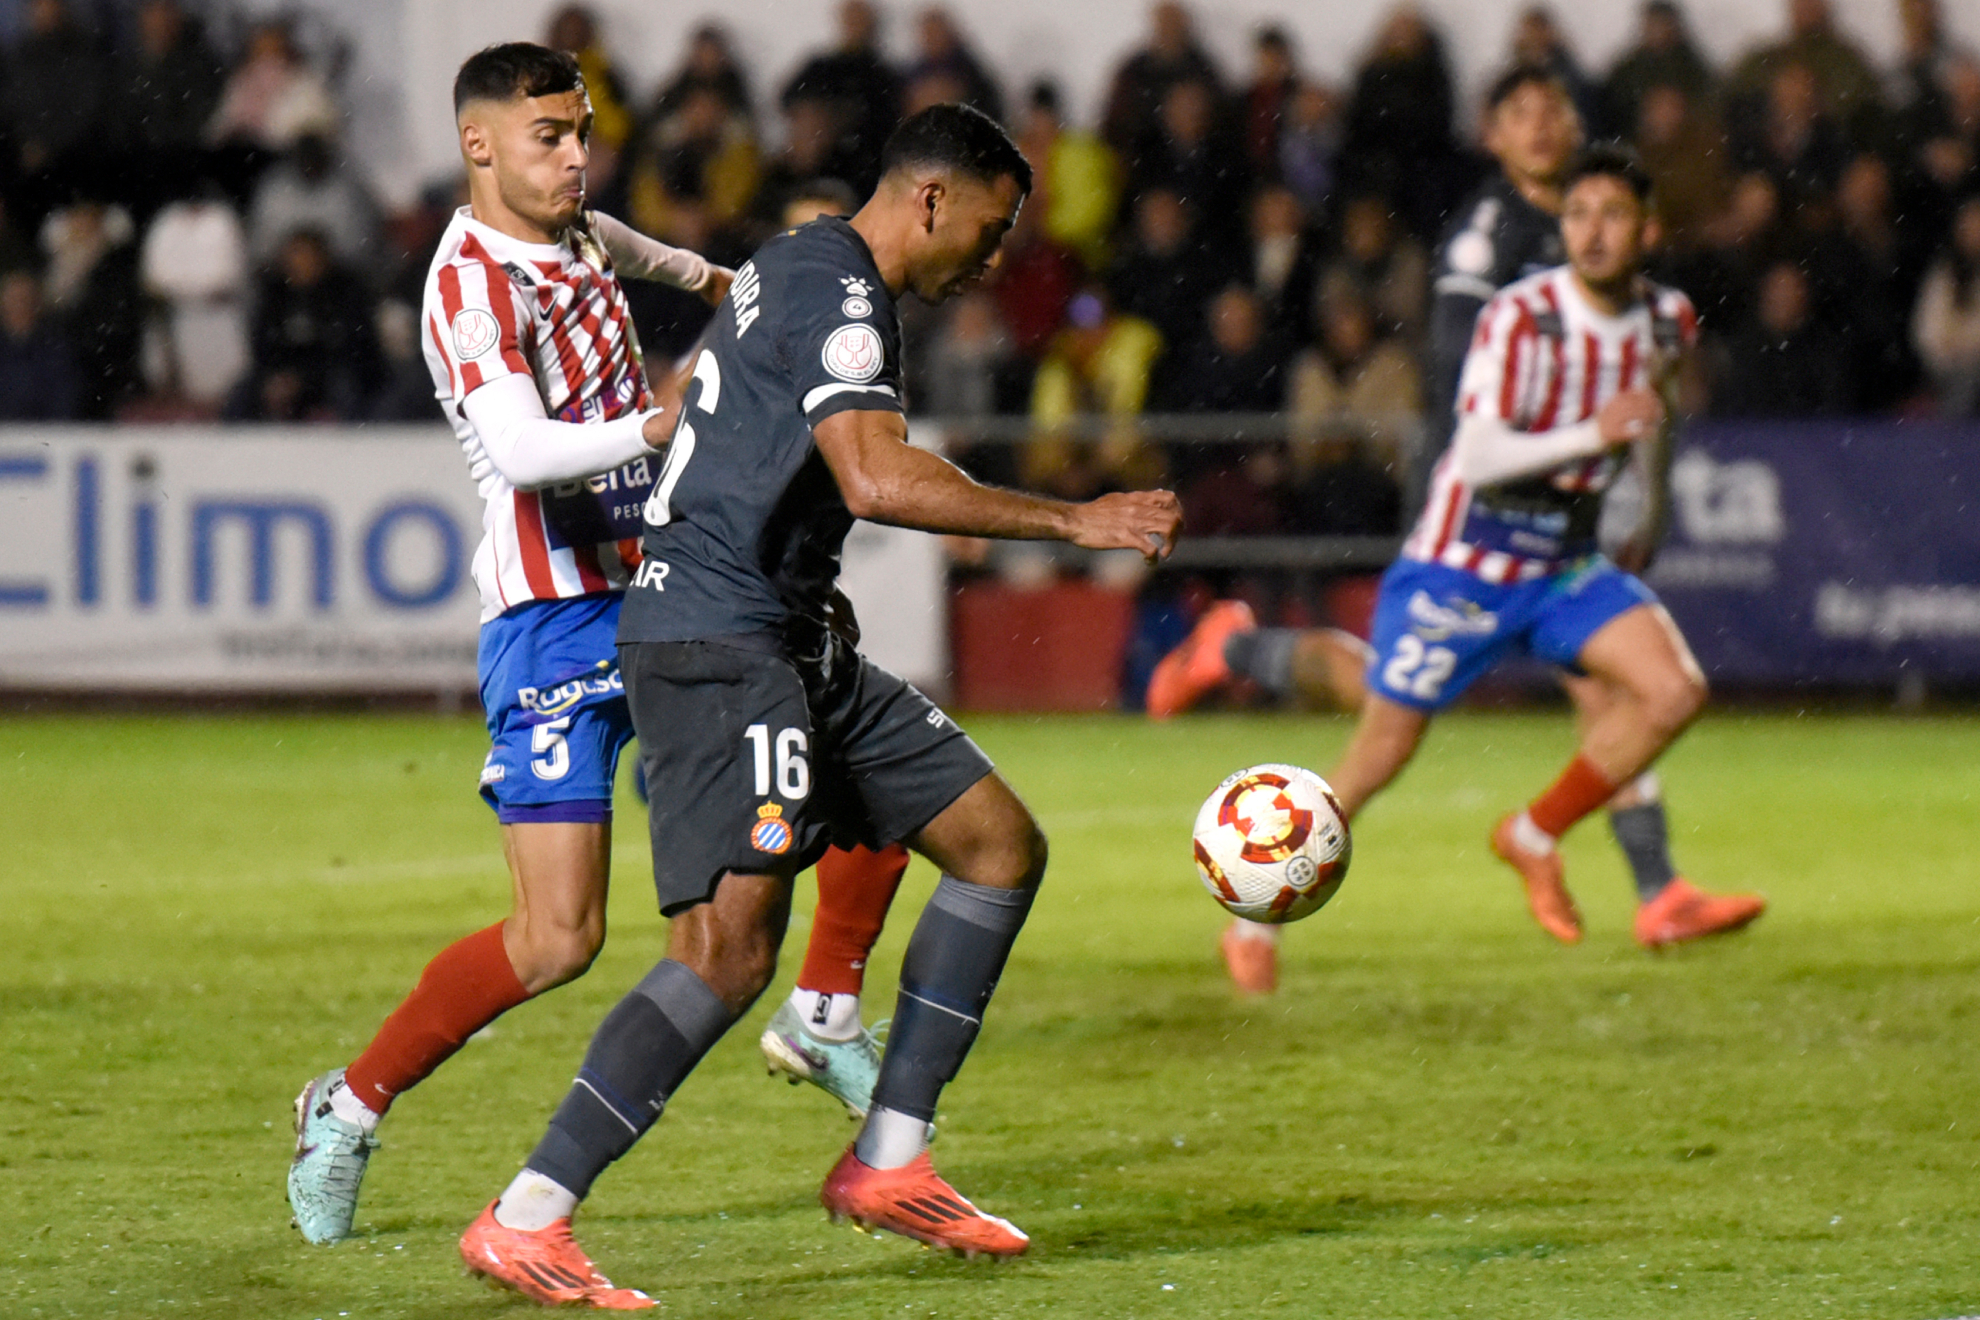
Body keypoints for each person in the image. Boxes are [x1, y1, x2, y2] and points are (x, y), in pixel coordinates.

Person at [456, 102, 1181, 1309]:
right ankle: (528, 1215)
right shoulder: (837, 288)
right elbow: (877, 477)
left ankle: (889, 1162)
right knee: (727, 954)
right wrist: (1073, 518)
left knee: (994, 844)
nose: (993, 260)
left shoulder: (808, 272)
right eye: (991, 231)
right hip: (716, 642)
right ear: (932, 199)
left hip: (791, 635)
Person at [282, 42, 904, 1250]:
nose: (576, 158)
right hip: (552, 622)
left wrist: (752, 295)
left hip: (674, 589)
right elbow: (518, 453)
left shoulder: (581, 231)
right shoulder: (467, 287)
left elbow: (685, 269)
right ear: (479, 147)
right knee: (557, 941)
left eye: (580, 133)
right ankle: (347, 1107)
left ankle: (824, 1001)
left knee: (844, 736)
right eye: (549, 138)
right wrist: (659, 419)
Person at [1154, 70, 1742, 994]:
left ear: (1645, 229)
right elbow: (1477, 429)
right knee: (1385, 736)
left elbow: (1652, 413)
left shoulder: (1663, 315)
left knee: (1660, 693)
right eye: (1521, 113)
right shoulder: (1500, 276)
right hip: (1470, 541)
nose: (1589, 226)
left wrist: (1647, 513)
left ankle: (1577, 852)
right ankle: (1257, 865)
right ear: (1493, 135)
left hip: (1565, 556)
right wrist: (1582, 438)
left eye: (1557, 112)